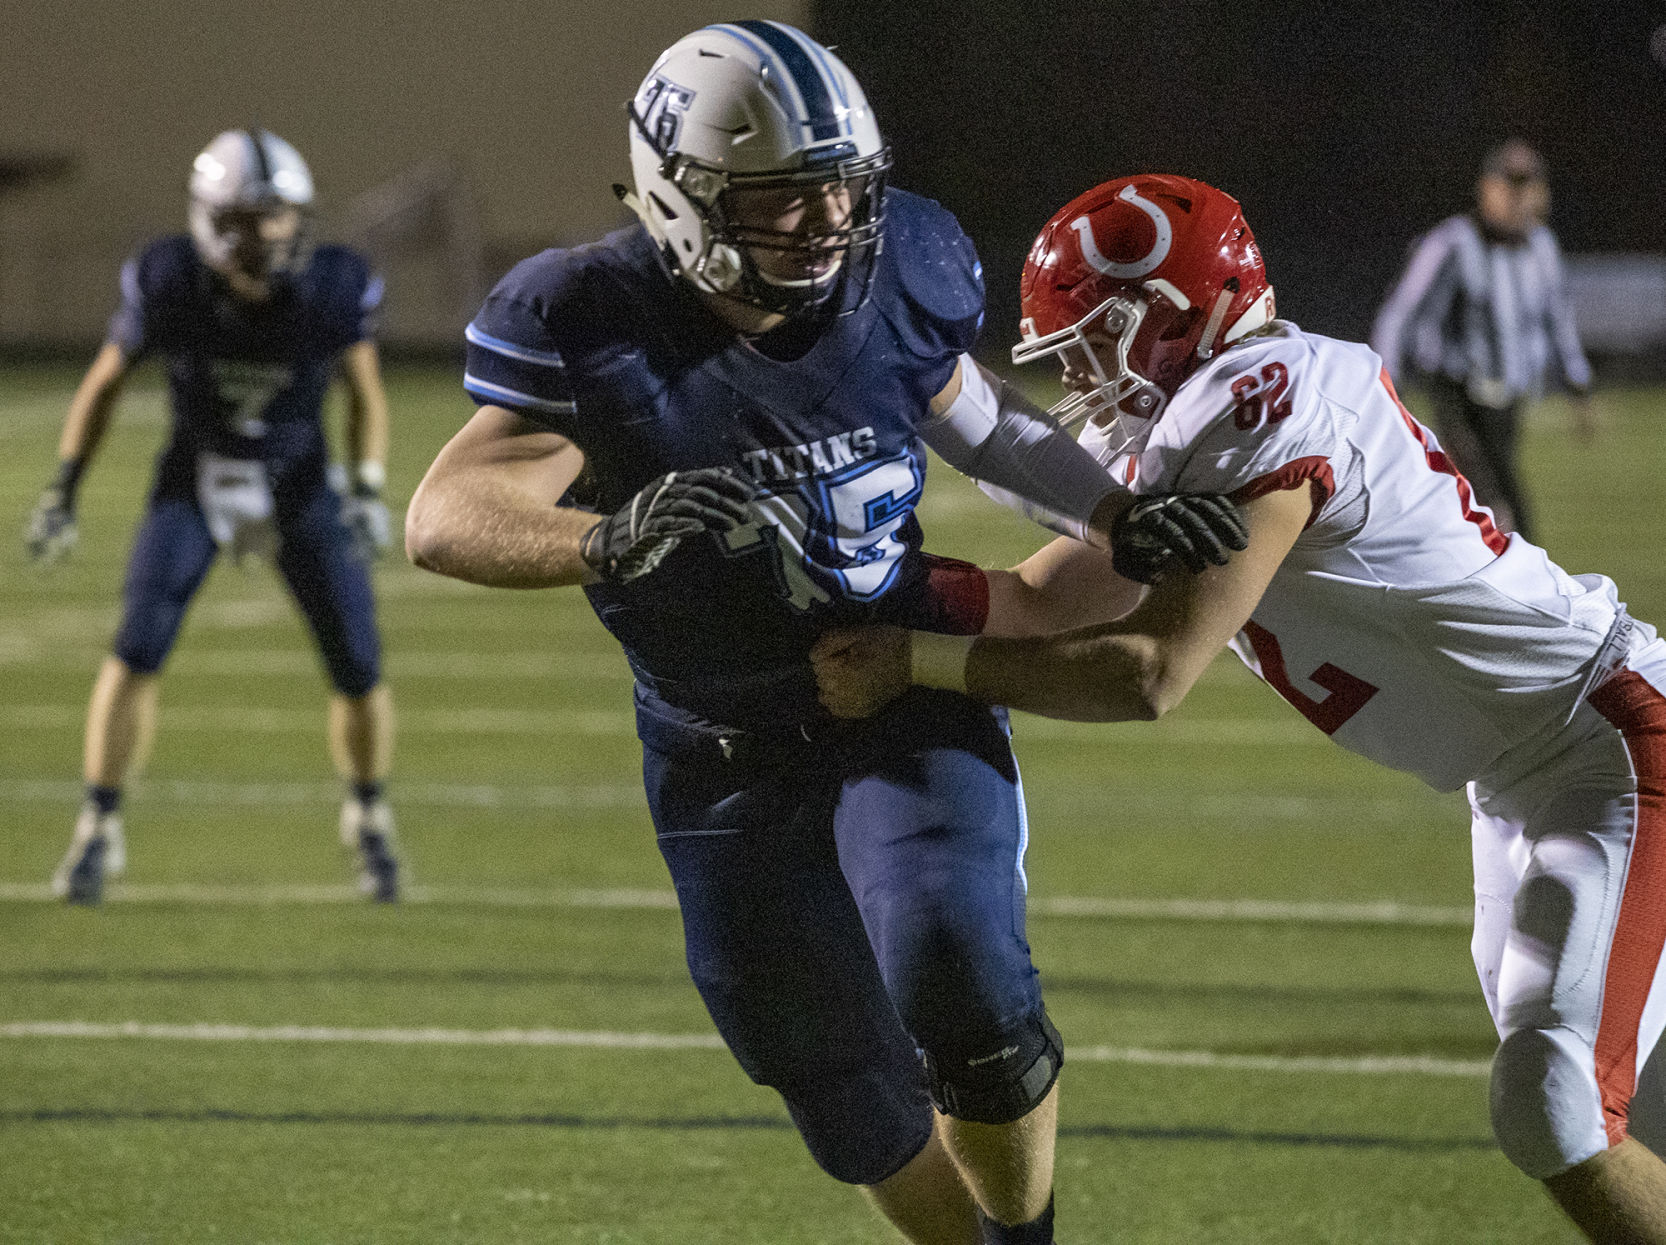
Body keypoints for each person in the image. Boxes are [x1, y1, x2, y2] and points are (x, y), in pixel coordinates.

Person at [405, 24, 1244, 1245]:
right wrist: (600, 537)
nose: (827, 224)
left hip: (894, 684)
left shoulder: (895, 264)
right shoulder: (593, 316)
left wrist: (1116, 511)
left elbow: (983, 428)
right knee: (838, 1089)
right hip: (719, 745)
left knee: (961, 976)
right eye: (785, 199)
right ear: (678, 196)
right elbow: (444, 514)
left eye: (842, 189)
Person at [811, 172, 1666, 1243]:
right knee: (1604, 1104)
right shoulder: (1204, 424)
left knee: (1555, 1102)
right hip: (1521, 782)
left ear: (1173, 313)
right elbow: (1036, 601)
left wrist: (914, 666)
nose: (1075, 368)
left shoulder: (1268, 400)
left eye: (1092, 336)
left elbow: (1149, 673)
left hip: (1612, 744)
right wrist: (856, 590)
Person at [25, 128, 401, 904]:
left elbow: (363, 390)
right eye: (246, 218)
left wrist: (365, 485)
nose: (265, 234)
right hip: (193, 477)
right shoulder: (169, 280)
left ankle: (368, 815)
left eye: (277, 215)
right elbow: (103, 383)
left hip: (299, 480)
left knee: (358, 662)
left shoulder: (333, 286)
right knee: (136, 646)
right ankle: (99, 824)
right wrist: (63, 487)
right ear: (209, 222)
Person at [1372, 138, 1595, 544]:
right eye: (1508, 185)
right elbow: (1399, 312)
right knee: (1492, 497)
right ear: (1486, 188)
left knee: (1498, 492)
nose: (1517, 198)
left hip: (1508, 396)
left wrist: (1578, 384)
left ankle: (1503, 580)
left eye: (1527, 186)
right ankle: (1514, 581)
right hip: (1456, 392)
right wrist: (1387, 379)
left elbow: (1557, 318)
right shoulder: (1451, 243)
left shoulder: (1542, 247)